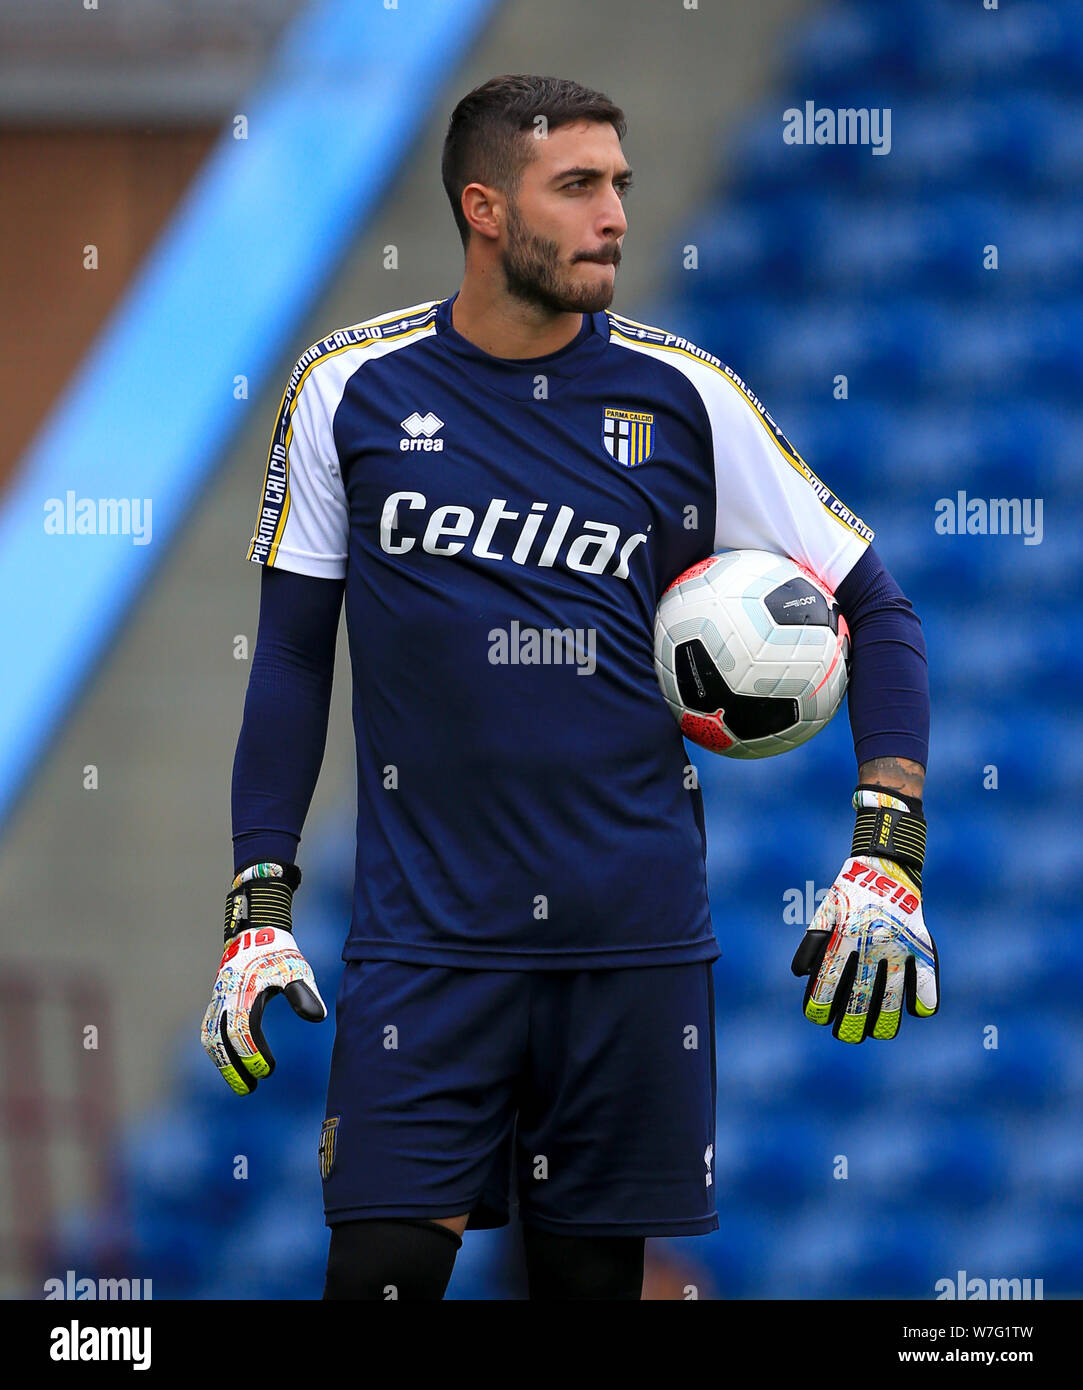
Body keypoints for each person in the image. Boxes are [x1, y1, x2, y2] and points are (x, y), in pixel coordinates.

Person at [200, 74, 937, 1301]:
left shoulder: (685, 396)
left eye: (623, 187)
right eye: (580, 187)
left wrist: (887, 844)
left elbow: (881, 610)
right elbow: (288, 660)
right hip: (425, 951)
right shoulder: (349, 389)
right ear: (485, 208)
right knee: (375, 1272)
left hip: (632, 949)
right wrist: (257, 898)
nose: (616, 217)